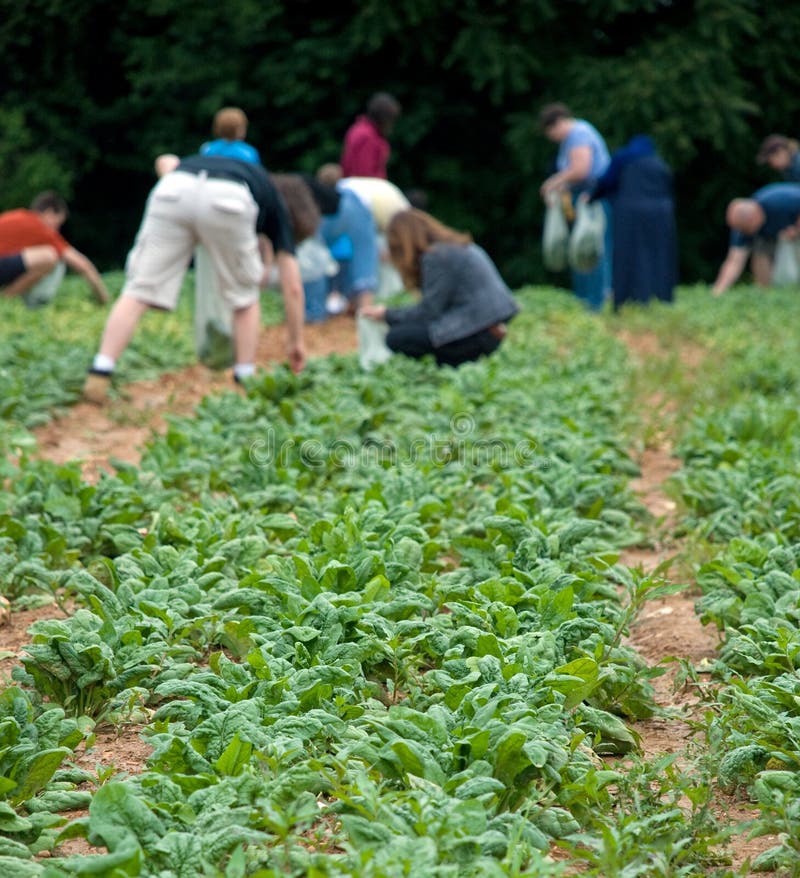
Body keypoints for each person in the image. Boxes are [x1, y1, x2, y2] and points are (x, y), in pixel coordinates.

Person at [83, 153, 305, 403]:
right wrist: (296, 342)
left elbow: (165, 160)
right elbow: (293, 286)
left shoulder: (208, 162)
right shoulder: (274, 200)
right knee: (244, 298)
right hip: (229, 199)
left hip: (174, 187)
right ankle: (245, 380)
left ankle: (100, 372)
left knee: (137, 291)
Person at [359, 209, 519, 366]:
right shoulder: (455, 247)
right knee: (410, 330)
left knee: (397, 337)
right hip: (489, 327)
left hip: (476, 333)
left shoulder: (437, 256)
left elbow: (429, 311)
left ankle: (449, 368)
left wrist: (387, 314)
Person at [589, 135, 677, 309]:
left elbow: (607, 181)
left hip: (629, 213)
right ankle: (661, 297)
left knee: (628, 255)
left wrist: (592, 197)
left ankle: (628, 298)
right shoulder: (659, 163)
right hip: (661, 214)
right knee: (659, 255)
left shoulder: (623, 159)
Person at [539, 103, 612, 311]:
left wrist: (552, 183)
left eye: (550, 131)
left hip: (591, 199)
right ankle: (586, 301)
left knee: (590, 248)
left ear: (558, 123)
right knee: (581, 249)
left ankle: (596, 301)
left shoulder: (578, 134)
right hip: (583, 198)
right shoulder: (574, 136)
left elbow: (581, 170)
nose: (552, 137)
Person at [0, 192, 110, 305]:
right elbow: (82, 265)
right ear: (49, 213)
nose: (56, 230)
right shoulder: (39, 227)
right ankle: (7, 299)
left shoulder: (18, 216)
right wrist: (104, 299)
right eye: (58, 224)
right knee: (49, 256)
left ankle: (7, 299)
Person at [711, 183, 800, 296]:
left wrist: (797, 230)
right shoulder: (742, 227)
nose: (748, 232)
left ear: (756, 216)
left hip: (793, 226)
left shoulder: (779, 202)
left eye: (749, 228)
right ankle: (766, 293)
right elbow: (734, 260)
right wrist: (718, 290)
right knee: (759, 250)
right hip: (775, 233)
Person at [341, 92, 401, 180]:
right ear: (383, 119)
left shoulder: (359, 128)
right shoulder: (368, 137)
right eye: (391, 120)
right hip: (365, 188)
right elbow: (365, 175)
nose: (392, 125)